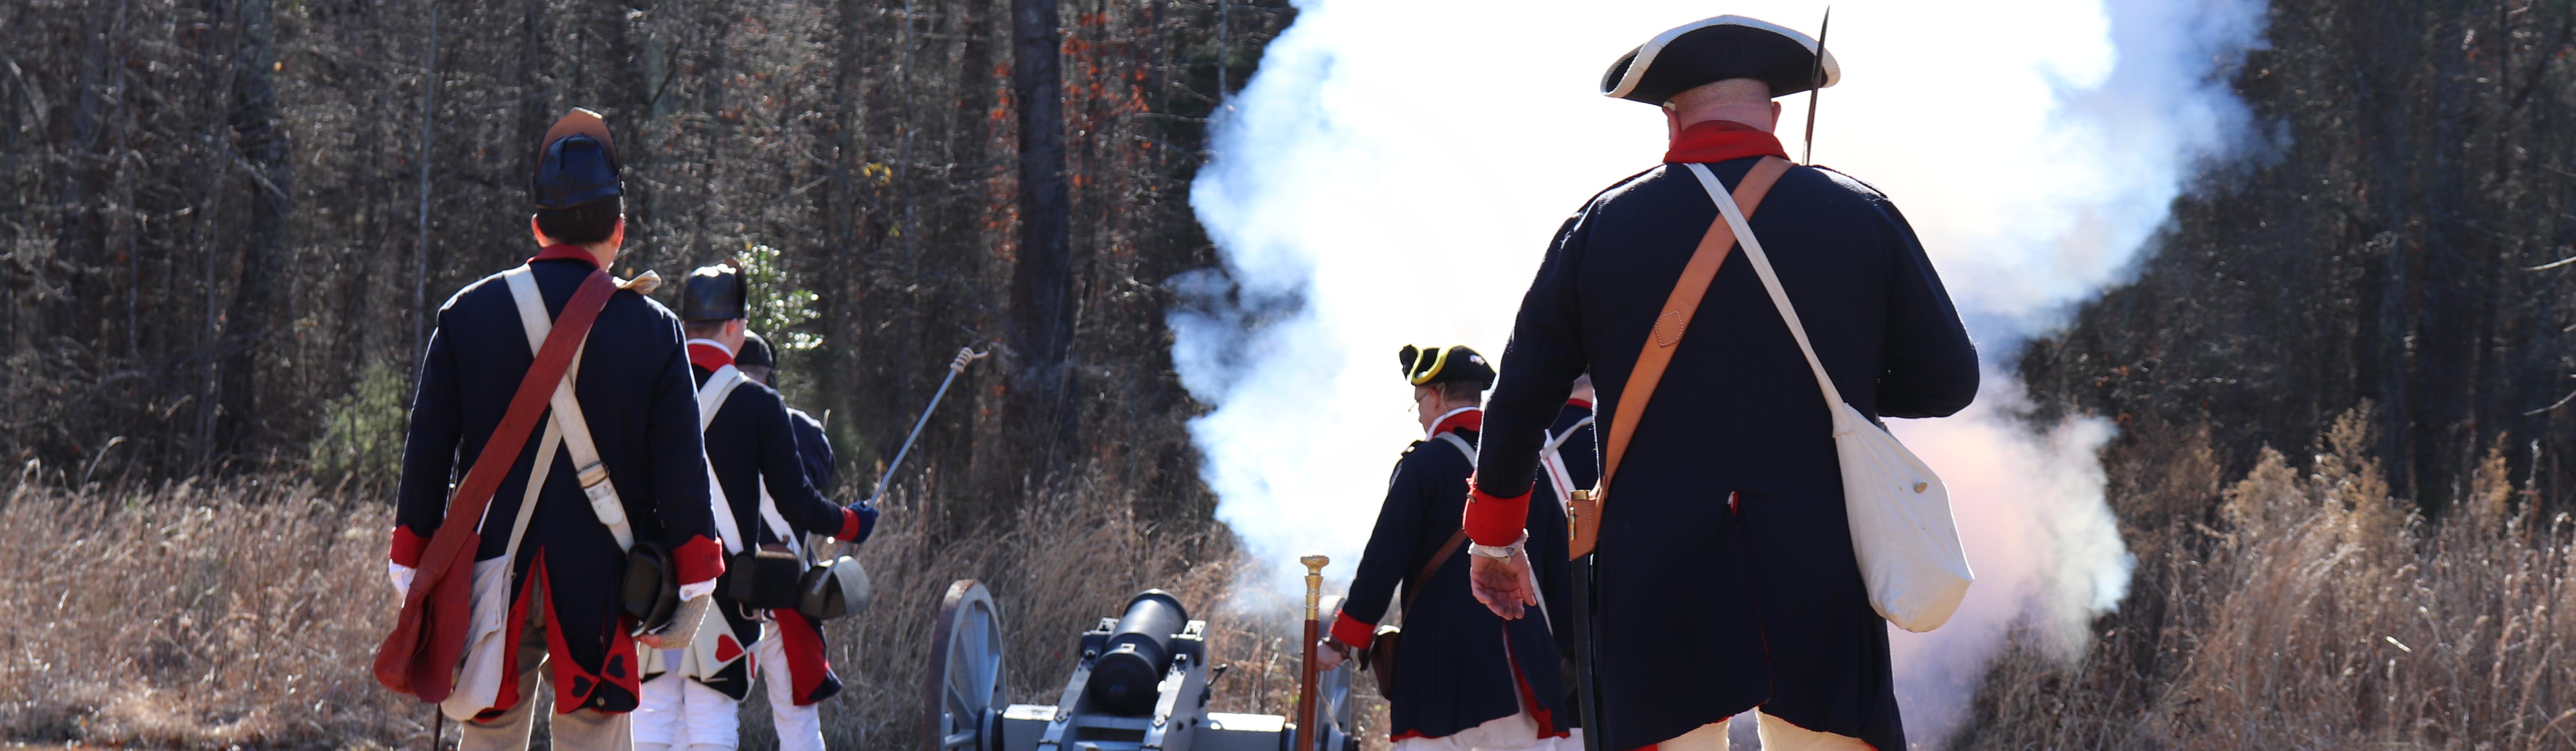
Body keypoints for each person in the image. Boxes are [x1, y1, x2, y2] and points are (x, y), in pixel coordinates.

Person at [1459, 16, 1979, 751]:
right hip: (1821, 559)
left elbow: (1519, 401)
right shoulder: (1861, 214)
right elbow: (1949, 380)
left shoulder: (1601, 227)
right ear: (1772, 113)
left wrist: (1495, 538)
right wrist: (1840, 384)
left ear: (1671, 116)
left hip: (1656, 564)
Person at [387, 108, 727, 751]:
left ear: (538, 225)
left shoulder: (468, 314)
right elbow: (681, 467)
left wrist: (413, 557)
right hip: (606, 578)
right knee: (597, 735)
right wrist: (695, 576)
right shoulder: (655, 331)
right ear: (619, 232)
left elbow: (428, 450)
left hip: (491, 570)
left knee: (486, 735)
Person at [633, 265, 877, 751]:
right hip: (725, 587)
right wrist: (851, 522)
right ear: (736, 327)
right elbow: (799, 503)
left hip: (652, 581)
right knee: (713, 722)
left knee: (652, 719)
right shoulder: (759, 406)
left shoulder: (646, 392)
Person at [1318, 344, 1571, 751]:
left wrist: (1343, 640)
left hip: (1438, 672)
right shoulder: (1528, 465)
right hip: (1522, 672)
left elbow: (1384, 560)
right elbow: (1558, 569)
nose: (1419, 414)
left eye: (1419, 401)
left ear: (1434, 395)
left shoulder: (1423, 465)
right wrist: (1559, 653)